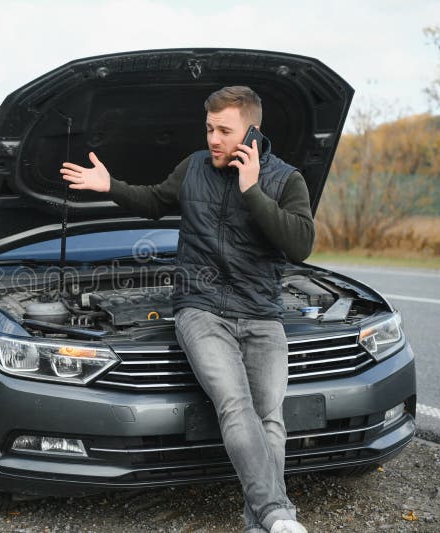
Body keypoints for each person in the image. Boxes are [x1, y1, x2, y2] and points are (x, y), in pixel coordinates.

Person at [60, 86, 314, 533]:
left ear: (252, 132)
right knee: (235, 405)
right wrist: (110, 186)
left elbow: (299, 245)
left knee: (270, 417)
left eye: (224, 130)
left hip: (261, 314)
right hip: (201, 309)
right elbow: (155, 200)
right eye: (209, 128)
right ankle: (279, 515)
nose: (213, 139)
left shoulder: (286, 179)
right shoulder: (194, 167)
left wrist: (252, 191)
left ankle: (262, 524)